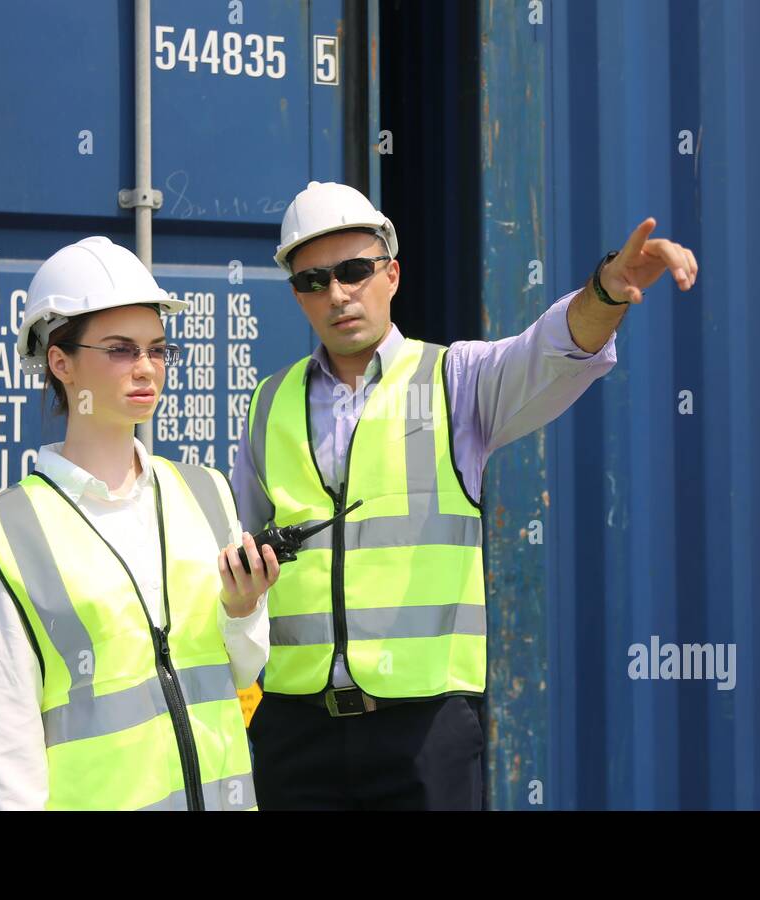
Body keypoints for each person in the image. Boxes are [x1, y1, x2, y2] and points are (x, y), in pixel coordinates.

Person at [235, 182, 697, 810]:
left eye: (353, 271)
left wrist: (607, 292)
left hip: (424, 733)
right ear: (297, 294)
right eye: (314, 280)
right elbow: (238, 567)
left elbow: (552, 352)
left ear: (391, 274)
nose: (337, 293)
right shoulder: (268, 404)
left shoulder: (456, 380)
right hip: (297, 730)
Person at [0, 235, 280, 810]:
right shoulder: (8, 534)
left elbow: (244, 669)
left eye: (157, 350)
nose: (146, 369)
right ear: (60, 362)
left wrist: (242, 608)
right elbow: (11, 747)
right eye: (120, 350)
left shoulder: (206, 493)